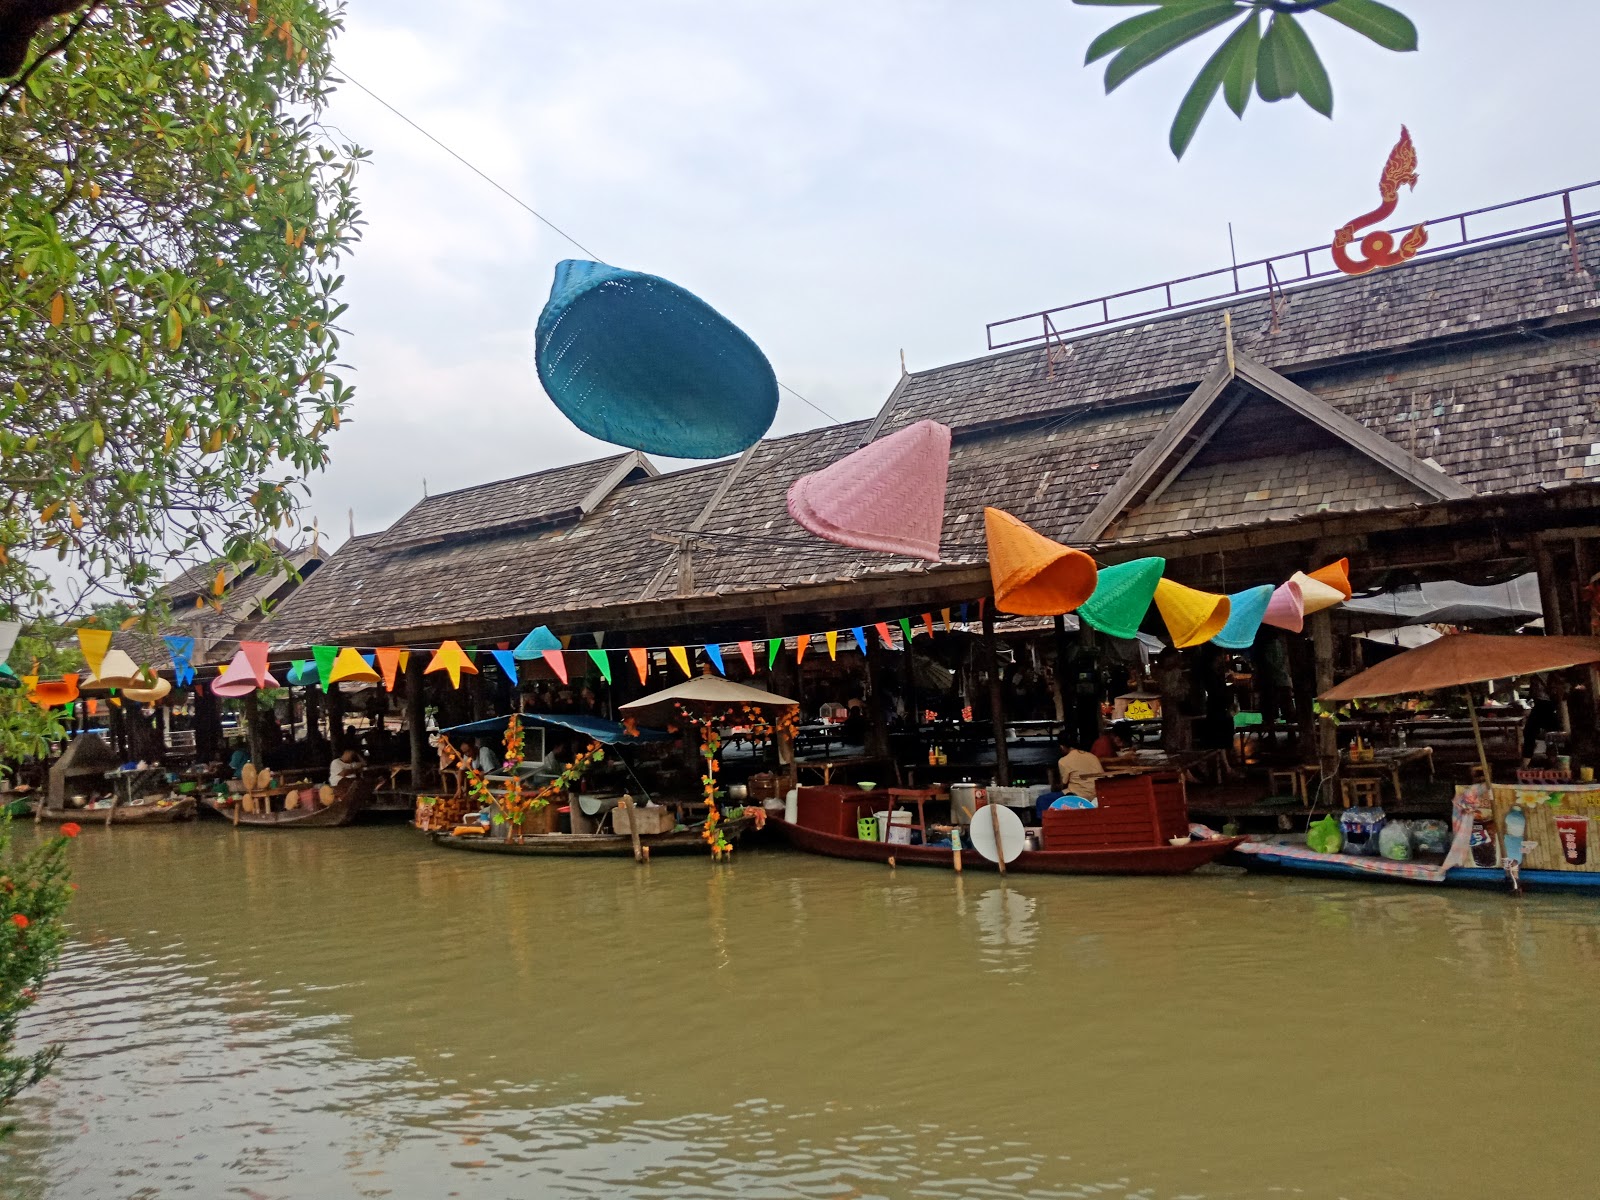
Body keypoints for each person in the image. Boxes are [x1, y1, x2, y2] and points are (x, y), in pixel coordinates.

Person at [1056, 735, 1104, 801]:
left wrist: (1053, 786)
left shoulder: (1063, 761)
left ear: (1062, 747)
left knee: (1042, 799)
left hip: (1077, 796)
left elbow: (1063, 785)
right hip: (1097, 794)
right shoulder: (1092, 756)